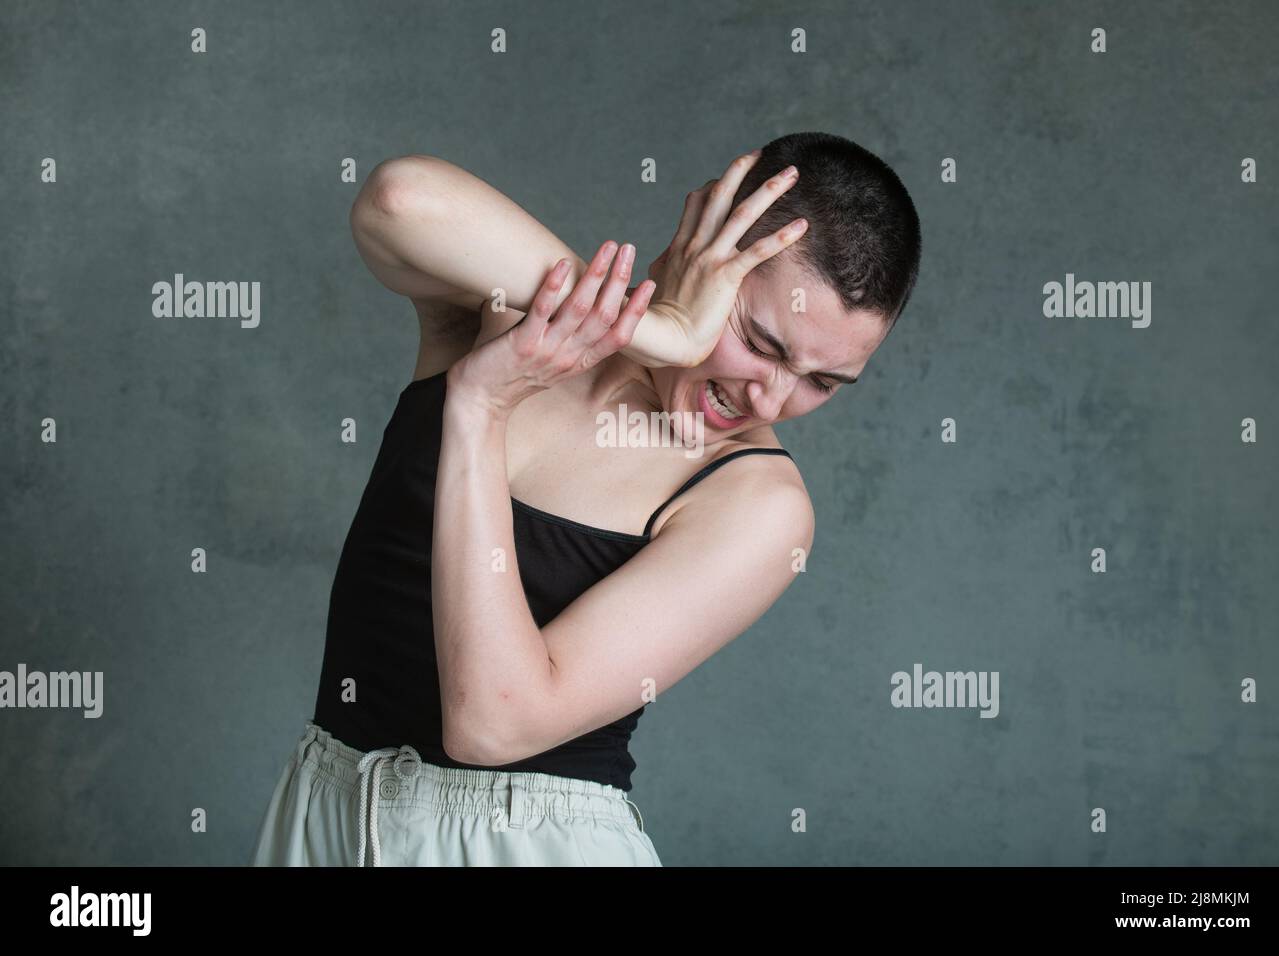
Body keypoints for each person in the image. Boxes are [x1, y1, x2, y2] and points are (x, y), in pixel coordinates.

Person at [250, 131, 921, 866]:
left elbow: (492, 726)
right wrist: (656, 333)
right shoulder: (520, 318)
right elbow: (397, 200)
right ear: (701, 248)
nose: (771, 396)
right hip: (321, 811)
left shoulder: (756, 502)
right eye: (760, 342)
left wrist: (478, 408)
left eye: (822, 382)